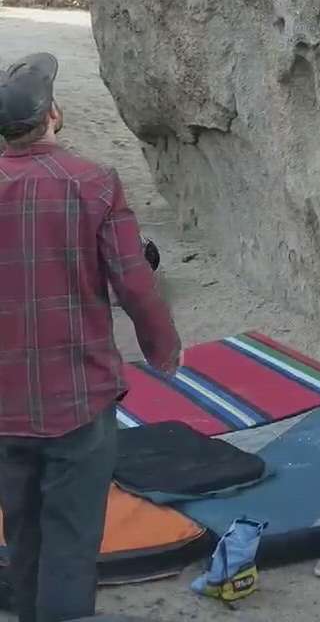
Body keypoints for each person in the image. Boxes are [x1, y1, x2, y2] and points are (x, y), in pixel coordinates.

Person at [0, 53, 182, 622]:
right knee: (72, 540)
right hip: (80, 397)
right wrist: (163, 349)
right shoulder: (95, 182)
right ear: (53, 114)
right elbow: (135, 284)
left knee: (22, 530)